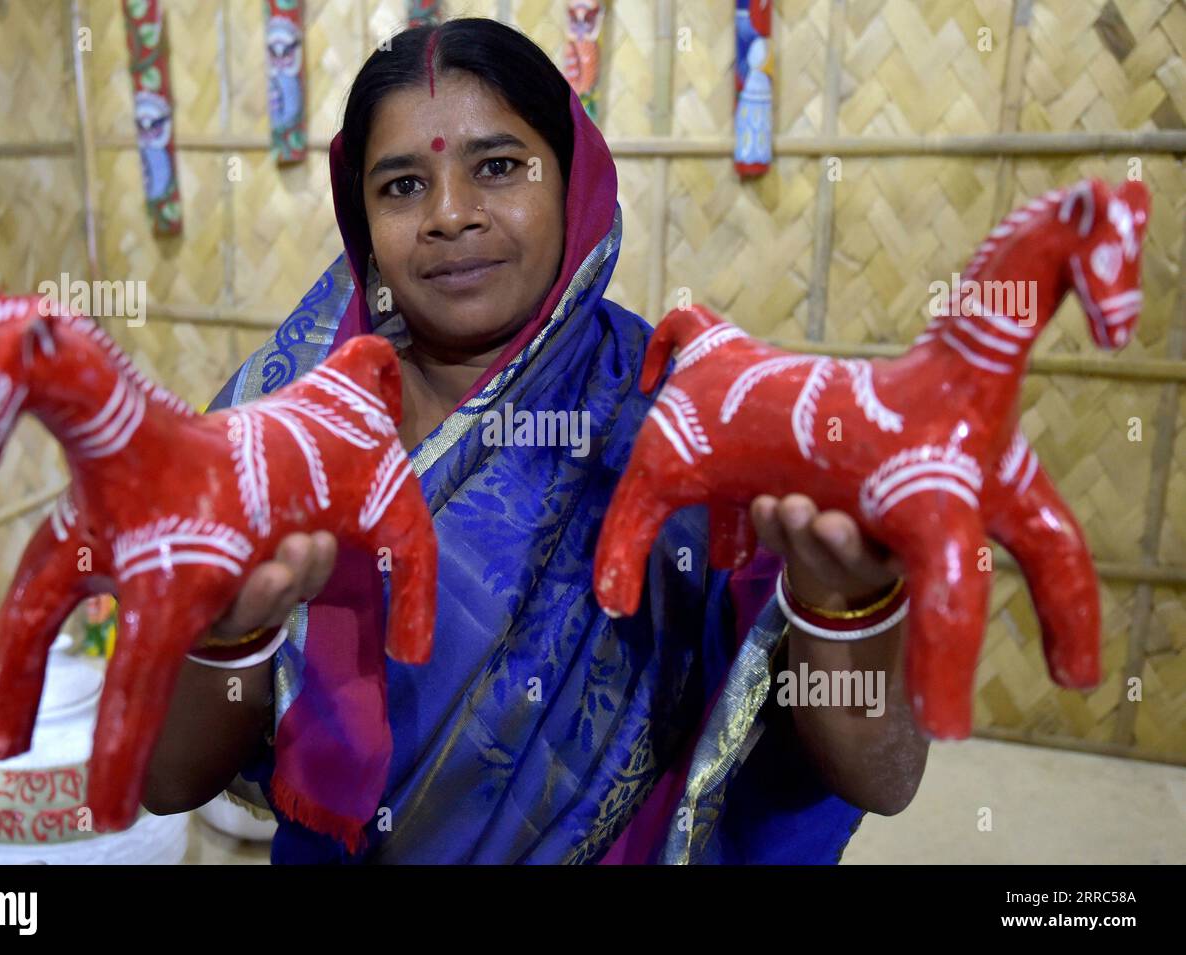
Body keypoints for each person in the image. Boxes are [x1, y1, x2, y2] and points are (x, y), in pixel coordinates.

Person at [143, 17, 928, 864]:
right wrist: (221, 635)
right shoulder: (272, 432)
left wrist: (846, 609)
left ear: (574, 182)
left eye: (497, 166)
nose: (450, 215)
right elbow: (164, 782)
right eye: (402, 185)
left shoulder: (691, 424)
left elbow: (884, 779)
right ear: (361, 222)